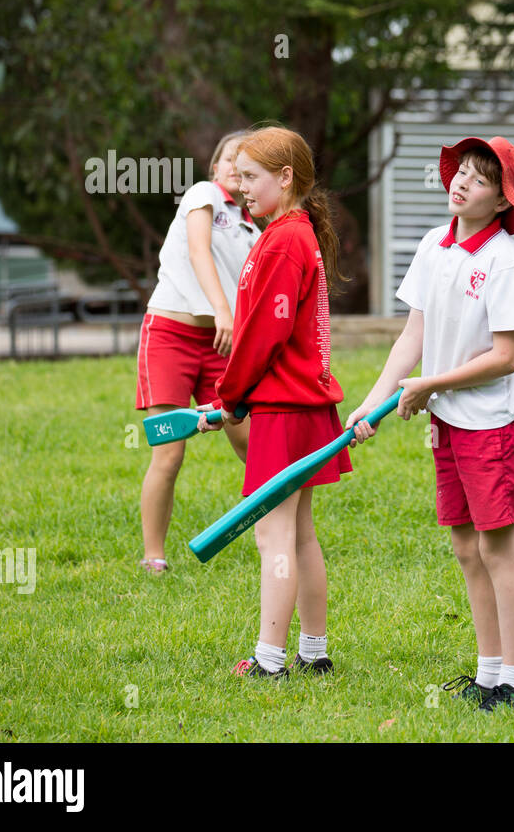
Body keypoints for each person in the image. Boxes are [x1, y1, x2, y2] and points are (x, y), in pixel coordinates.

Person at [347, 136, 514, 712]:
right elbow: (415, 335)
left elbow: (506, 357)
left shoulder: (505, 260)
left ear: (501, 202)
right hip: (448, 420)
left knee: (498, 548)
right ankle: (487, 674)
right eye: (460, 173)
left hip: (490, 423)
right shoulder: (434, 244)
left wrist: (429, 386)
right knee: (464, 546)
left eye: (479, 180)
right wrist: (374, 399)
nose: (460, 184)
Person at [198, 126, 352, 678]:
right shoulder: (291, 231)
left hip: (285, 410)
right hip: (302, 405)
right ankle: (313, 651)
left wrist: (231, 397)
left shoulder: (285, 237)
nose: (240, 188)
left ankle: (270, 660)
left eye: (251, 177)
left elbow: (263, 333)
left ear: (286, 178)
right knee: (299, 529)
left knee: (273, 531)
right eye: (237, 177)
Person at [135, 130, 258, 574]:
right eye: (229, 159)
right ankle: (154, 557)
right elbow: (198, 250)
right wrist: (223, 311)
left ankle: (278, 536)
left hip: (222, 344)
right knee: (169, 448)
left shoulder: (252, 229)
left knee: (252, 445)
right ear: (215, 167)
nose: (234, 169)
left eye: (246, 165)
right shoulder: (202, 195)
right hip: (171, 334)